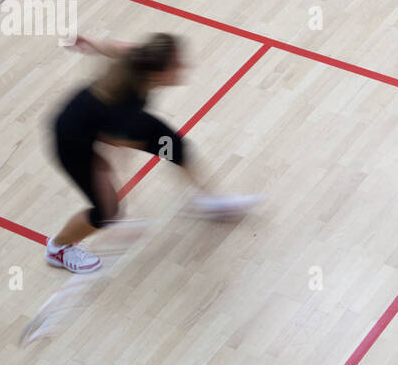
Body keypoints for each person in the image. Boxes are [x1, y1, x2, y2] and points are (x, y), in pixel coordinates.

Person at [45, 31, 258, 273]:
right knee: (107, 212)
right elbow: (117, 150)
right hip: (73, 141)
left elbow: (114, 45)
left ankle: (207, 200)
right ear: (159, 73)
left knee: (174, 146)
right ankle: (58, 248)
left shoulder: (140, 58)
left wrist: (89, 43)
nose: (182, 67)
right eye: (176, 65)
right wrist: (123, 203)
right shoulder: (123, 112)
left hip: (104, 122)